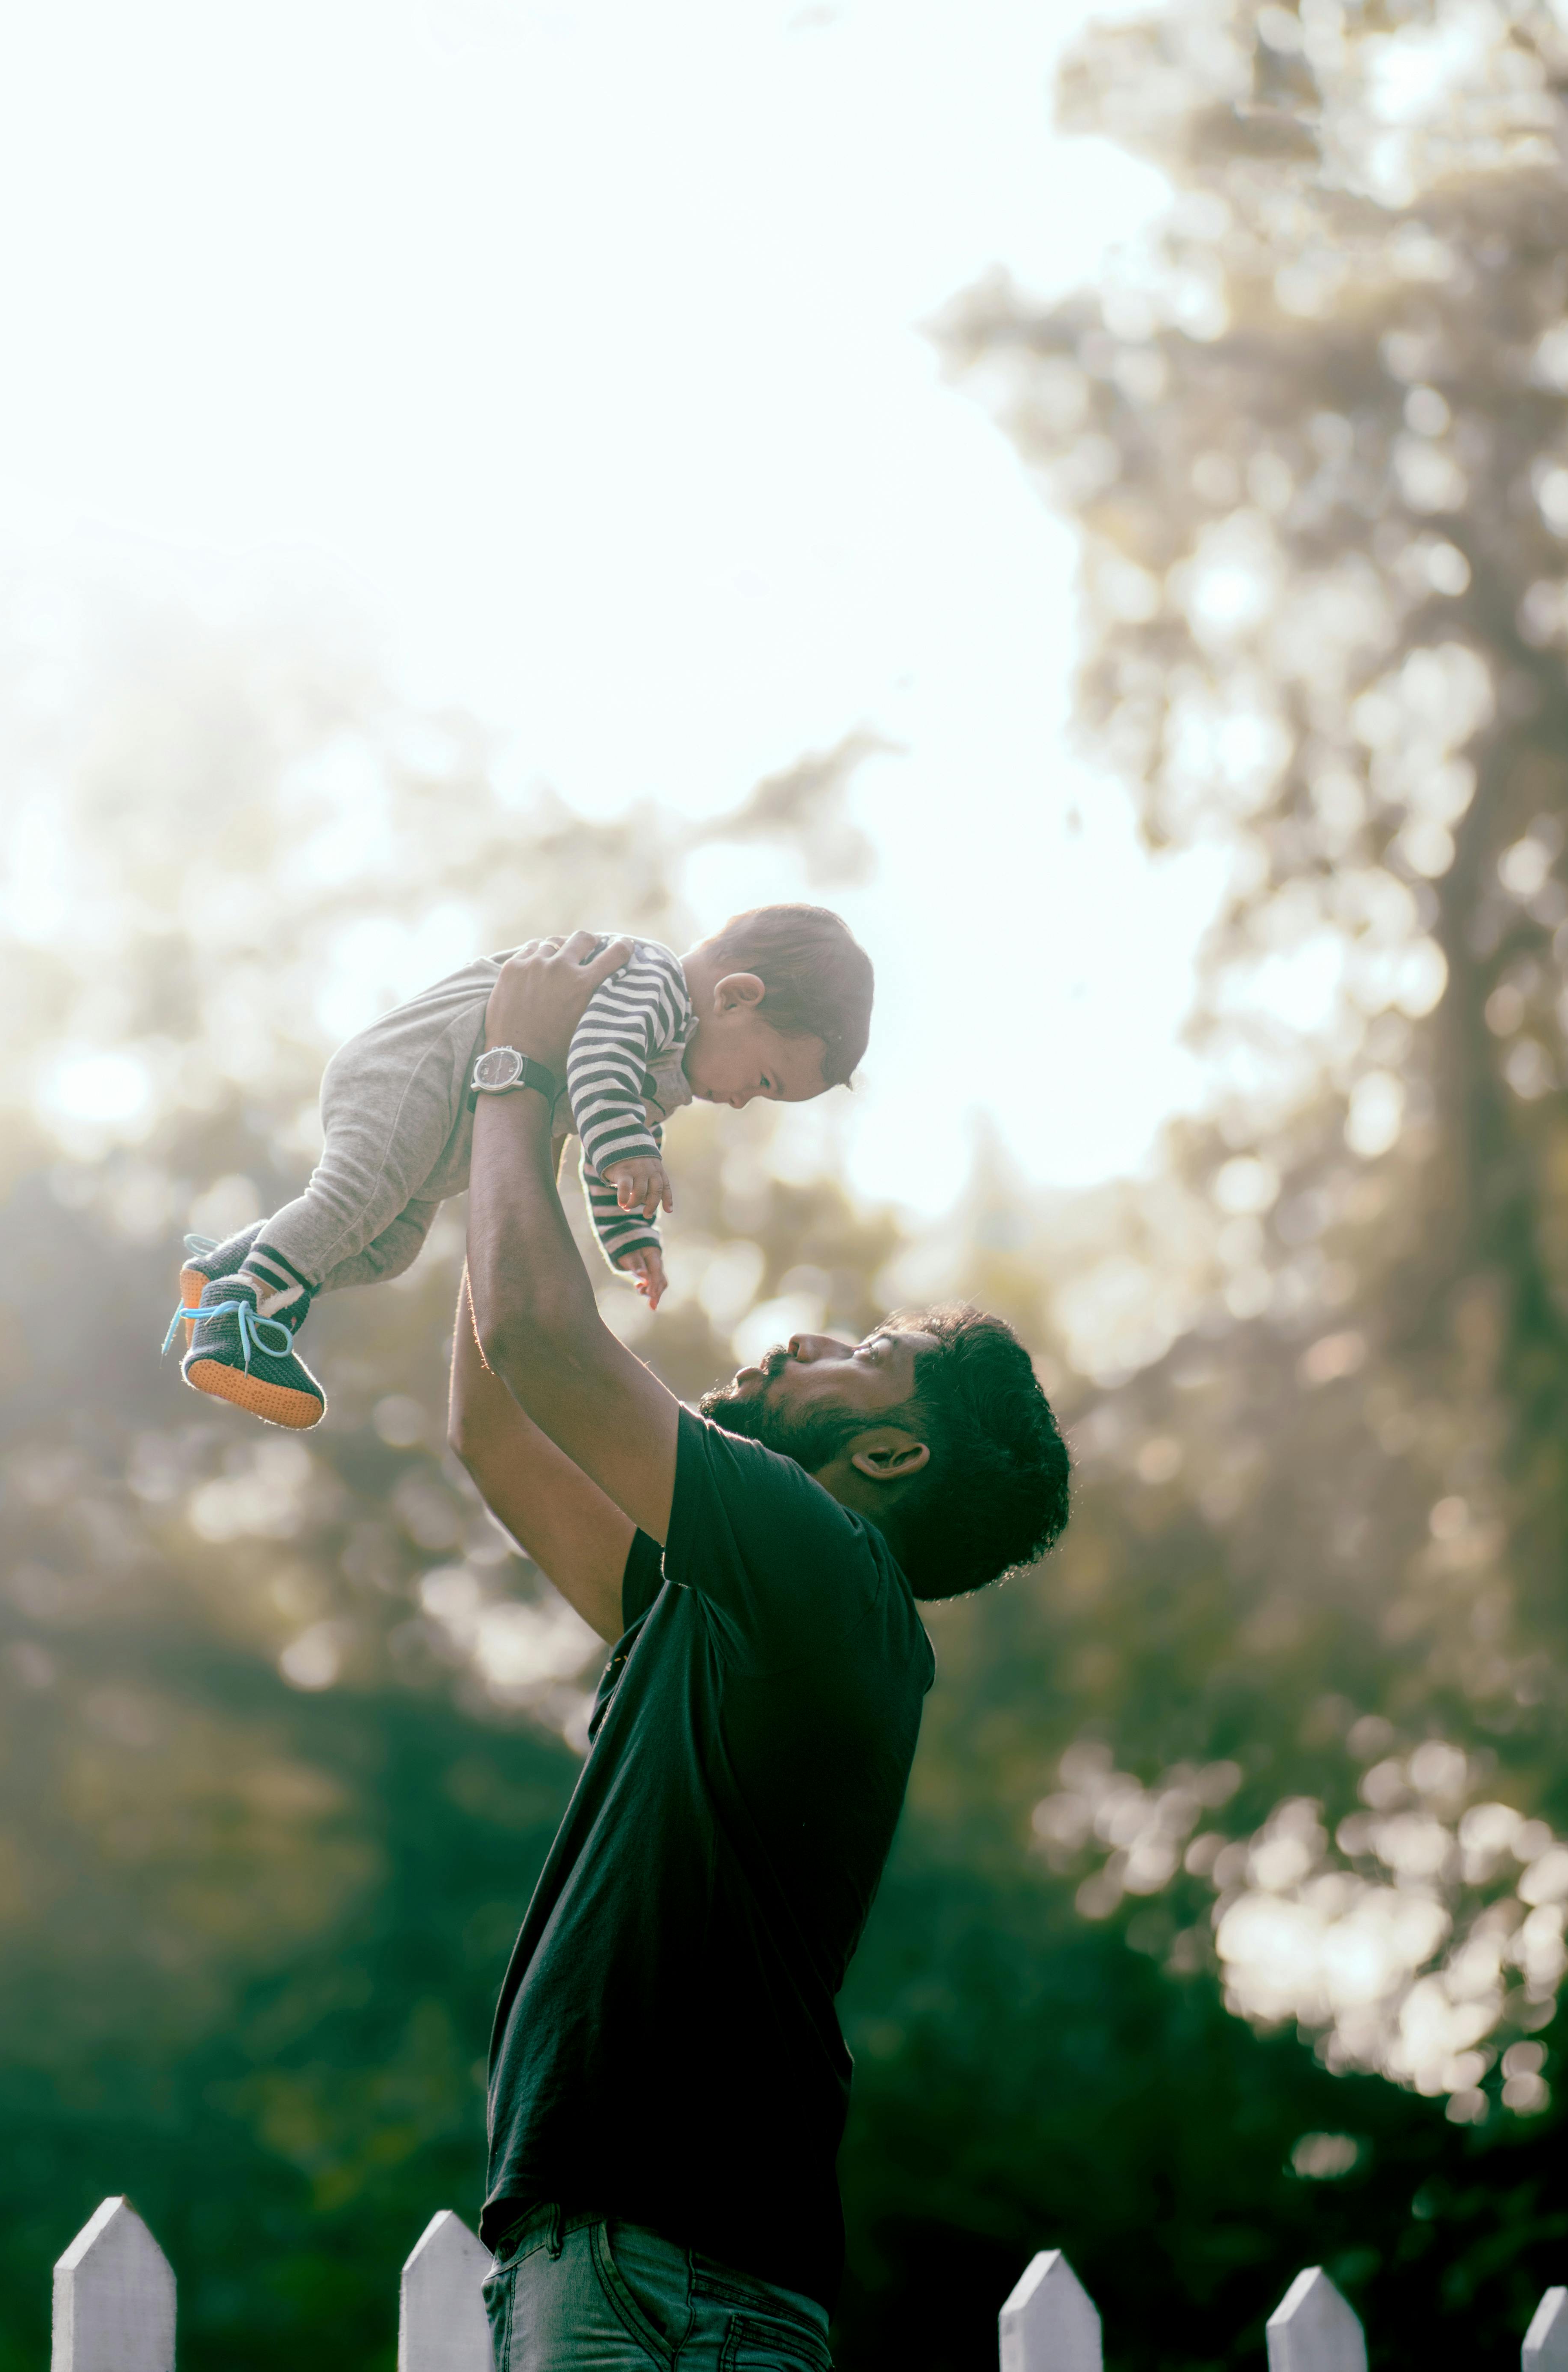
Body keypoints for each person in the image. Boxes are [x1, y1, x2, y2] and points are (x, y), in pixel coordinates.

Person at [448, 932, 1071, 2372]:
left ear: (892, 1450)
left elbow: (542, 1337)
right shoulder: (726, 1608)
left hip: (665, 2277)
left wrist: (515, 1077)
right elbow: (494, 1421)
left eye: (859, 1351)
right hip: (644, 2269)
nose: (805, 1337)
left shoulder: (826, 1572)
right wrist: (511, 1118)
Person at [164, 905, 873, 1429]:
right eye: (767, 1080)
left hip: (447, 1129)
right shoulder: (650, 983)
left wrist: (633, 1239)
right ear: (737, 996)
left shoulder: (664, 1073)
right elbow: (599, 1069)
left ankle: (233, 1266)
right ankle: (240, 1316)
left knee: (389, 1245)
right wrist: (633, 1147)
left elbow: (601, 1153)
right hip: (417, 1073)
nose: (748, 1101)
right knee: (355, 1196)